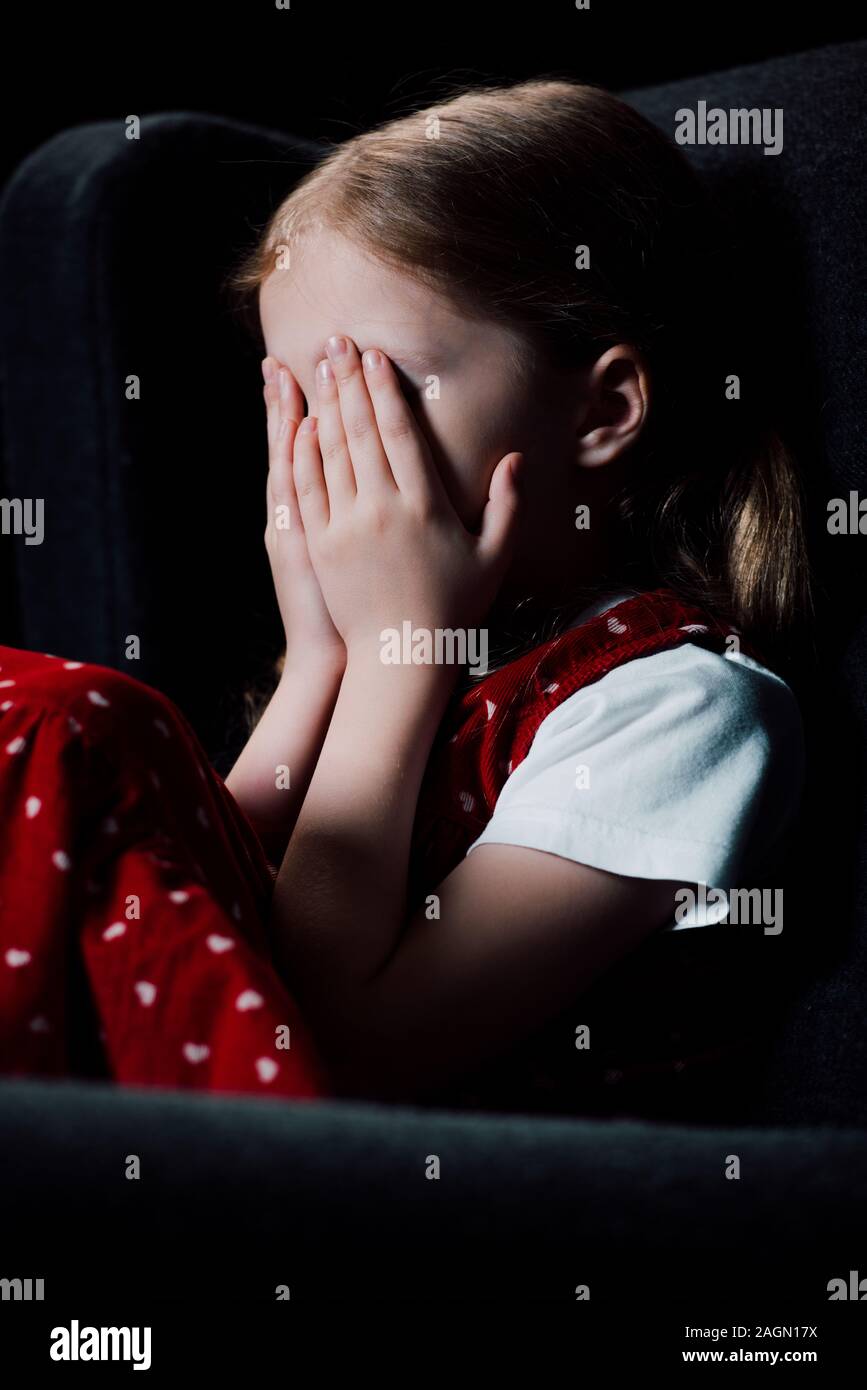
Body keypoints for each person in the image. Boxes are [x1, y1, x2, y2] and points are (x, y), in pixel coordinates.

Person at [0, 78, 810, 1117]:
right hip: (208, 1130)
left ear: (604, 407)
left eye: (381, 387)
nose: (334, 451)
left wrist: (395, 656)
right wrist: (322, 662)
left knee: (77, 721)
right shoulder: (388, 663)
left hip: (450, 1201)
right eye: (302, 401)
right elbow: (193, 908)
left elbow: (324, 1052)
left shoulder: (683, 712)